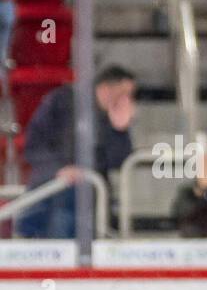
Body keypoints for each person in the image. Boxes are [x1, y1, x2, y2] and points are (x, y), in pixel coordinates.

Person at [17, 66, 134, 239]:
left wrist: (120, 130)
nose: (127, 101)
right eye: (124, 94)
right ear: (106, 88)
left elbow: (118, 162)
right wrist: (58, 169)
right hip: (52, 193)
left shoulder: (112, 121)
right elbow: (34, 145)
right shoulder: (62, 101)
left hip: (90, 201)